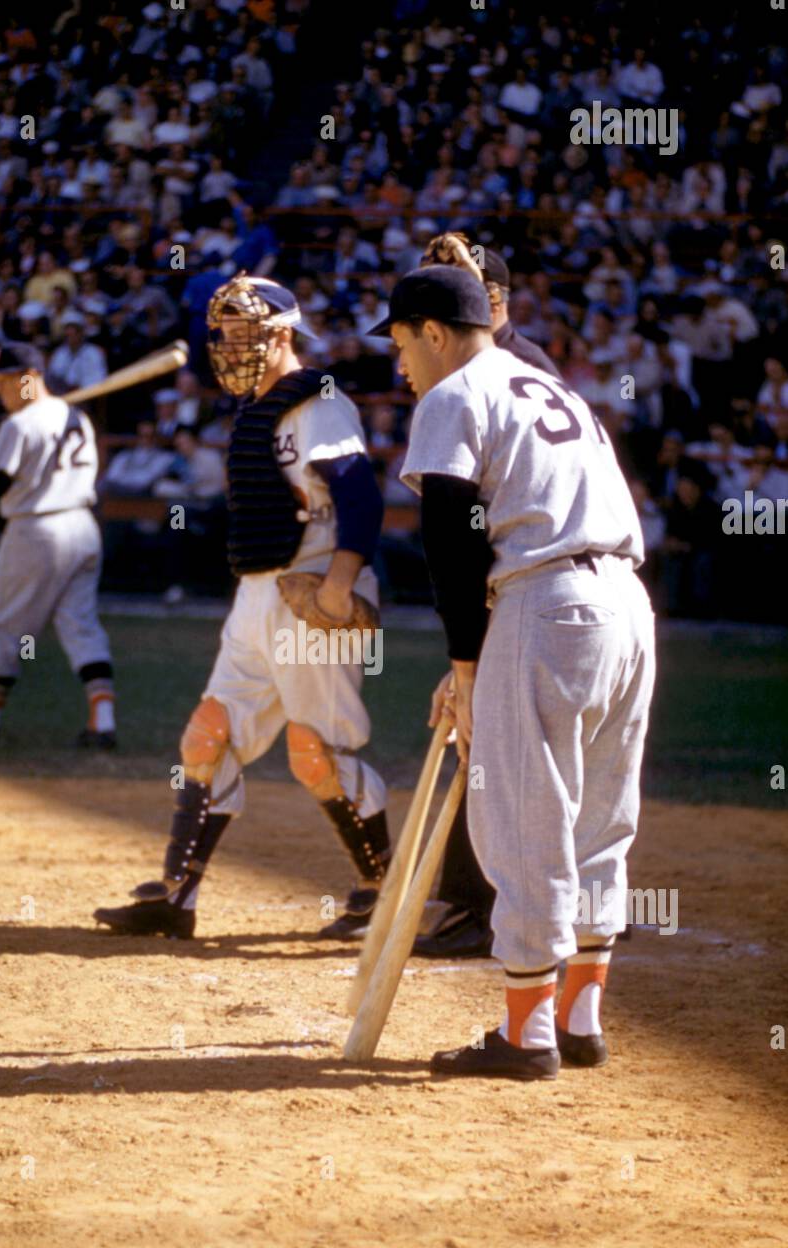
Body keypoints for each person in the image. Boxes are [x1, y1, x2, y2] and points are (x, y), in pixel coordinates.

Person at [372, 266, 654, 1080]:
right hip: (627, 608)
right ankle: (580, 1021)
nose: (400, 365)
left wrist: (465, 662)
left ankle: (526, 1037)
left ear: (433, 331)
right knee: (603, 812)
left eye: (400, 344)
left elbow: (452, 539)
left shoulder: (454, 395)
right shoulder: (551, 388)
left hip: (545, 604)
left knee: (526, 815)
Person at [95, 275, 389, 943]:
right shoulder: (256, 407)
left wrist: (339, 584)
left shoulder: (318, 400)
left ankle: (384, 888)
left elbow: (361, 499)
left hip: (313, 599)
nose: (227, 341)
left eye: (241, 327)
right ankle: (177, 898)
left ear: (280, 333)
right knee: (208, 734)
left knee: (316, 752)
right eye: (221, 328)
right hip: (256, 596)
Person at [413, 237, 562, 961]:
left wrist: (466, 658)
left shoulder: (513, 363)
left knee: (496, 752)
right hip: (542, 584)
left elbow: (454, 525)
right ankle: (481, 900)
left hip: (531, 586)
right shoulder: (493, 368)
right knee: (495, 749)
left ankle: (487, 906)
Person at [0, 344, 117, 749]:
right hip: (82, 526)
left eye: (5, 381)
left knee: (6, 624)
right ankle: (103, 718)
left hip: (35, 531)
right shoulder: (77, 418)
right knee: (80, 624)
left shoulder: (19, 425)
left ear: (29, 378)